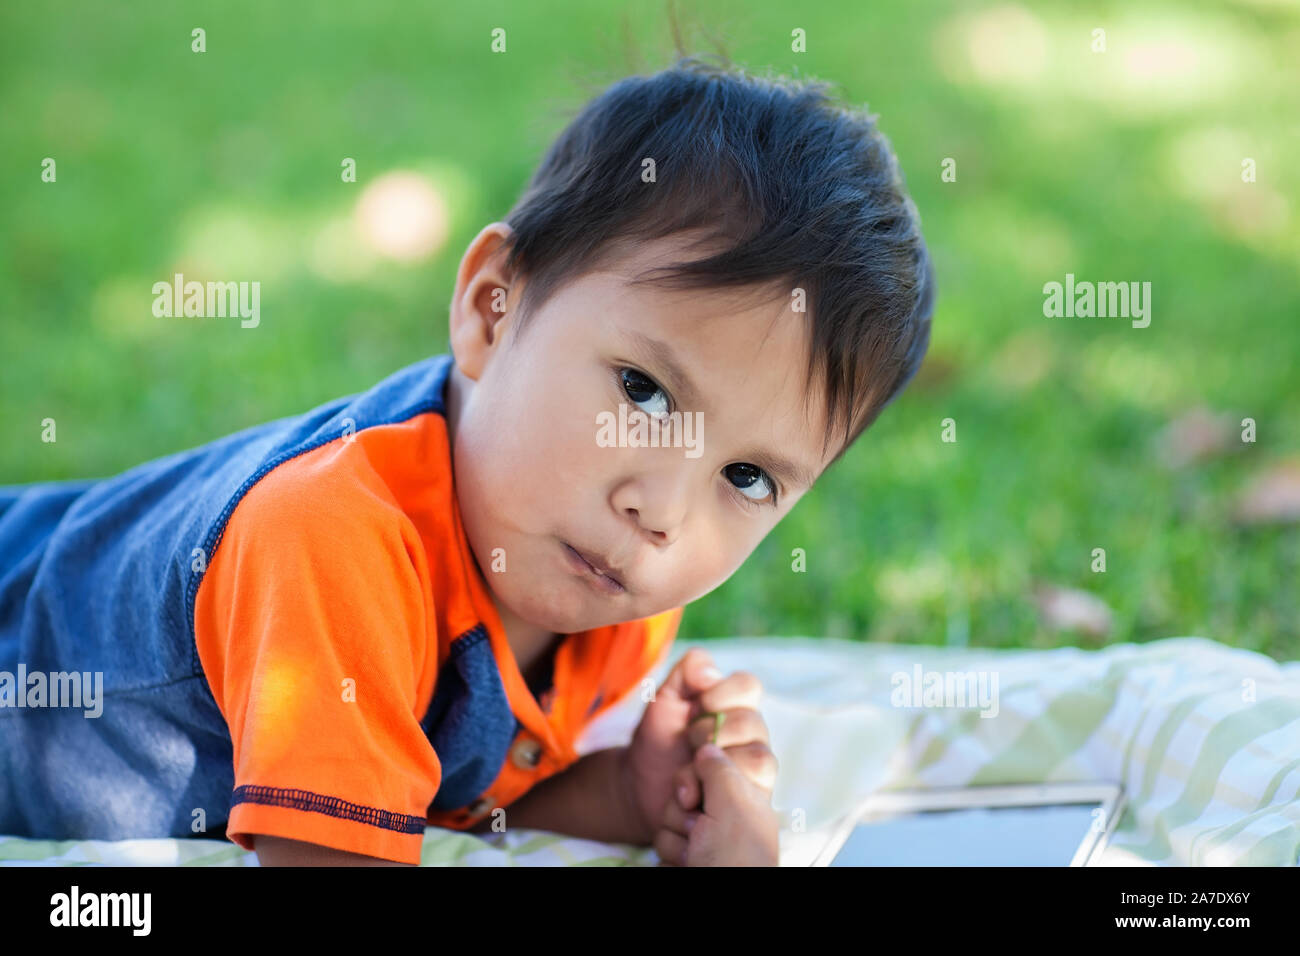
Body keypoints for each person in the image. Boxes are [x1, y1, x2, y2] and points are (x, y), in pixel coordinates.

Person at [0, 54, 934, 866]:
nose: (664, 509)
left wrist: (626, 800)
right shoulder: (332, 544)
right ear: (492, 308)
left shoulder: (606, 580)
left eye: (747, 477)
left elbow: (442, 797)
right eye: (644, 392)